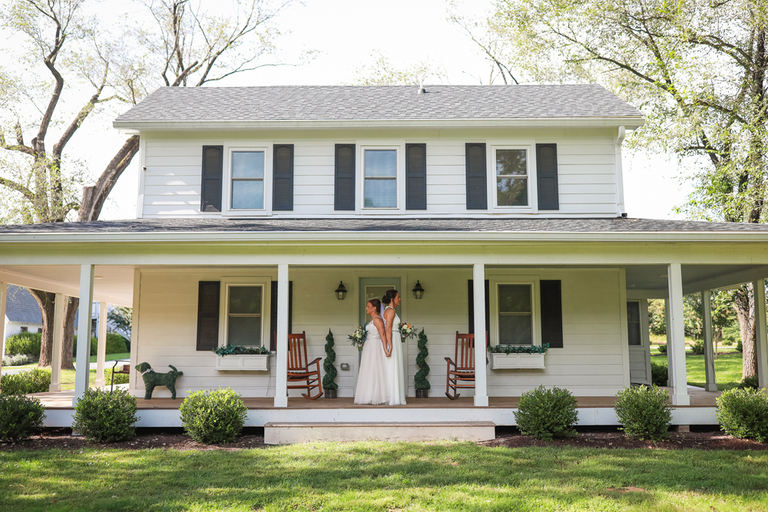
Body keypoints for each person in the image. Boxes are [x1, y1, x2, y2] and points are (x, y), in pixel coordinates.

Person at [354, 299, 391, 404]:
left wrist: (385, 348)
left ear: (374, 308)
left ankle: (377, 395)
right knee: (368, 369)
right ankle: (369, 394)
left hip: (375, 346)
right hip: (368, 346)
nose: (366, 308)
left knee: (375, 369)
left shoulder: (377, 320)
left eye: (368, 306)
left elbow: (383, 334)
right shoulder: (371, 321)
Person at [383, 289, 406, 405]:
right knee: (392, 366)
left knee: (394, 366)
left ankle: (395, 395)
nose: (400, 299)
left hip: (395, 338)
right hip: (393, 340)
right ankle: (393, 396)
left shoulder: (391, 311)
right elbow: (388, 329)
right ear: (392, 299)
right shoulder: (390, 311)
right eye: (398, 297)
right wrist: (390, 345)